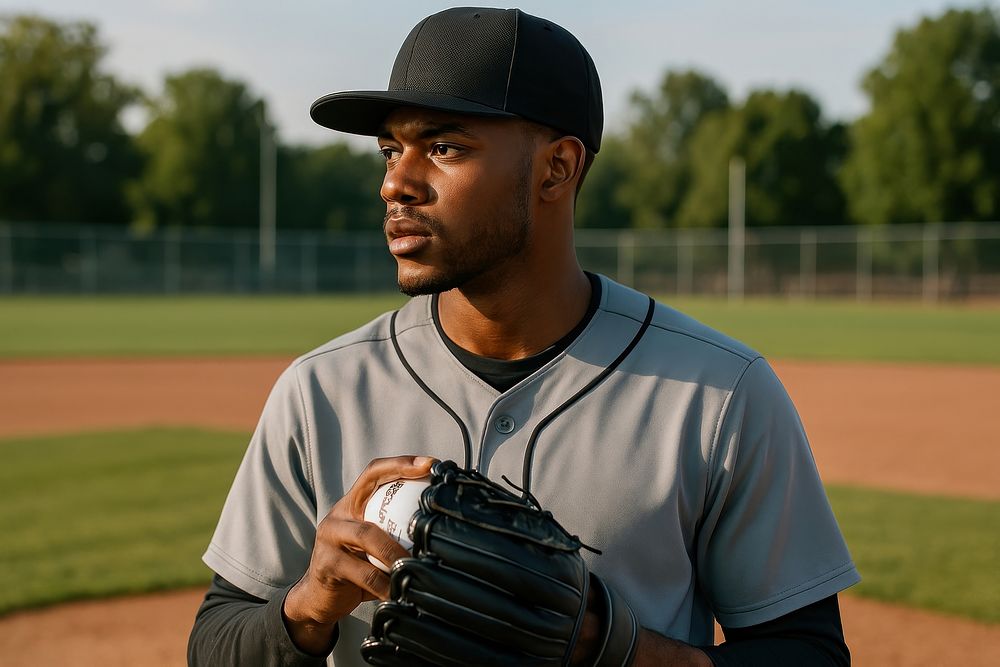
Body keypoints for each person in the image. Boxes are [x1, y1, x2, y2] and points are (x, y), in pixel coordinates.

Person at [189, 7, 860, 666]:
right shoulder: (320, 390)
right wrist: (304, 608)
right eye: (392, 148)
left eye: (444, 146)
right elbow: (215, 639)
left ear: (558, 167)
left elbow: (809, 652)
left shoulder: (718, 395)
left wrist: (611, 646)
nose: (396, 181)